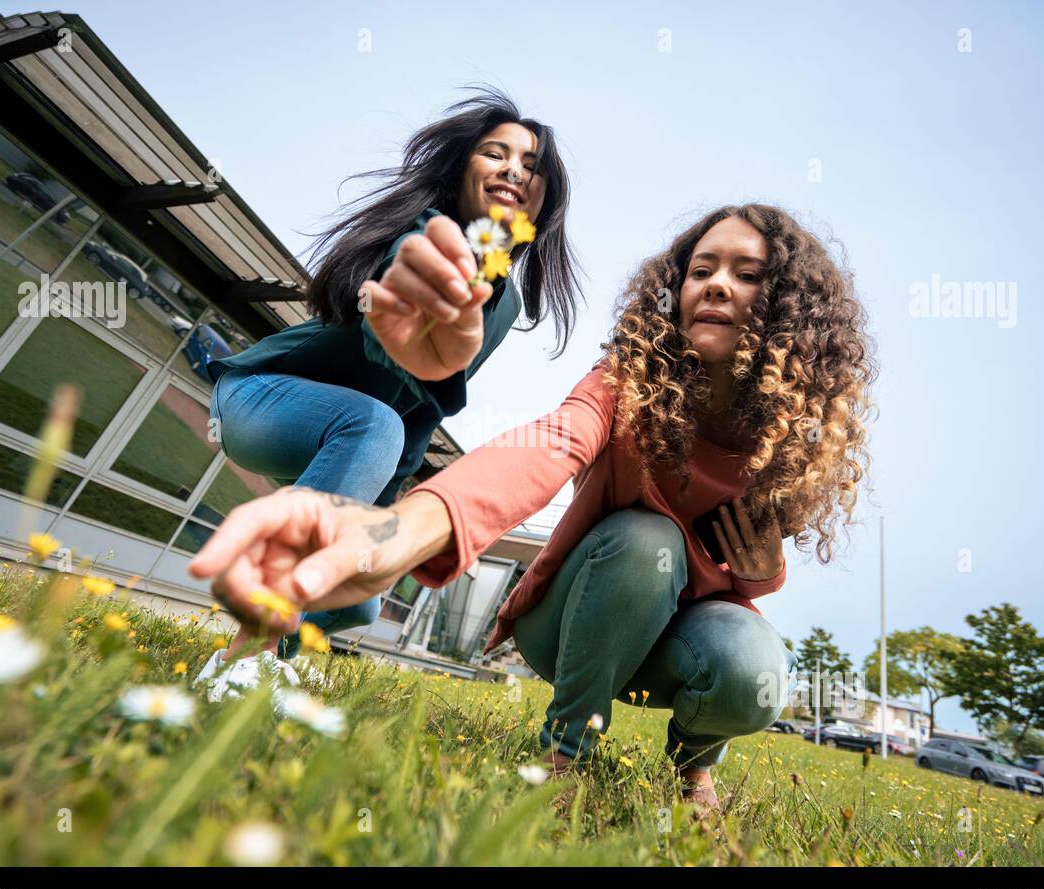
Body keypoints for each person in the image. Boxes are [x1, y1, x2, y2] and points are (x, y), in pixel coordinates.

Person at [189, 204, 876, 814]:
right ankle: (566, 750)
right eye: (702, 269)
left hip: (673, 647)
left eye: (747, 273)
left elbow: (739, 570)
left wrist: (764, 577)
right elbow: (548, 446)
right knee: (647, 540)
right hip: (578, 626)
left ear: (787, 304)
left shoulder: (784, 440)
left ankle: (693, 770)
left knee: (755, 671)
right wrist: (406, 529)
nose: (718, 284)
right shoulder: (629, 378)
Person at [193, 86, 582, 699]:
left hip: (354, 428)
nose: (514, 169)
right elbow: (408, 265)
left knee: (362, 598)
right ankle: (249, 650)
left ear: (545, 195)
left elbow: (419, 409)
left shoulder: (502, 296)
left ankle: (282, 659)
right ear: (460, 171)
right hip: (256, 399)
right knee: (373, 425)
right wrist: (400, 306)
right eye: (494, 154)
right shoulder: (427, 231)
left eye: (531, 164)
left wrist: (383, 515)